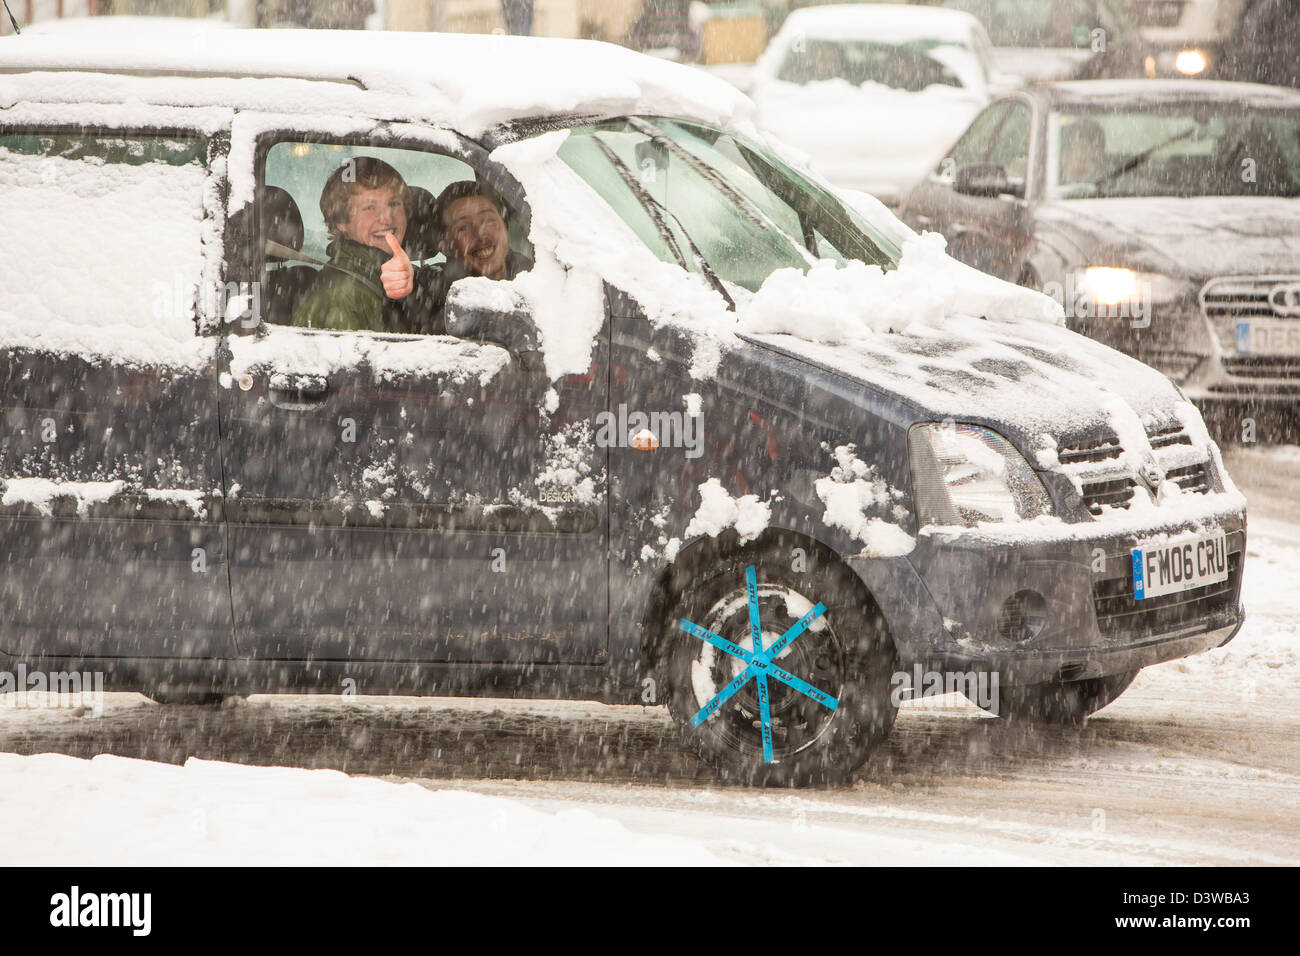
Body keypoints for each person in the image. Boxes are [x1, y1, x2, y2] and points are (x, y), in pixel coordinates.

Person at [292, 157, 416, 332]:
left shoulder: (394, 278)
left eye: (394, 203)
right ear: (341, 221)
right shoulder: (341, 294)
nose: (387, 218)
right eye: (370, 208)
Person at [1058, 119, 1106, 193]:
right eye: (1081, 160)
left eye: (1094, 160)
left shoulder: (1113, 192)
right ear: (1063, 157)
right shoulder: (1046, 188)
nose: (1092, 168)